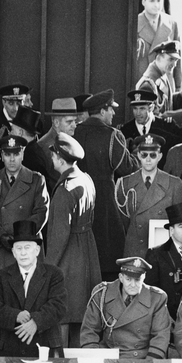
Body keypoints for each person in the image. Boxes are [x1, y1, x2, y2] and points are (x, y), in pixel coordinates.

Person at [73, 89, 139, 281]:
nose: (114, 113)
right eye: (111, 109)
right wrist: (133, 153)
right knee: (108, 255)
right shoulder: (112, 135)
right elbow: (127, 168)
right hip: (104, 201)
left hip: (78, 199)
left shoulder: (75, 131)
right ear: (102, 111)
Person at [45, 133, 102, 347]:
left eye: (53, 156)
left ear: (60, 159)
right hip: (87, 251)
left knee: (63, 315)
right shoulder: (86, 179)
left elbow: (59, 236)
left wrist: (48, 269)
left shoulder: (65, 190)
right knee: (83, 315)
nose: (52, 160)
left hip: (69, 257)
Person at [0, 220, 67, 358]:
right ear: (13, 252)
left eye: (27, 247)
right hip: (11, 351)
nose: (23, 253)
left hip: (46, 349)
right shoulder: (2, 276)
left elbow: (59, 306)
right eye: (19, 248)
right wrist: (16, 315)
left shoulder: (54, 274)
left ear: (37, 250)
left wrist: (36, 322)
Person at [0, 135, 50, 291]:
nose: (12, 159)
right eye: (7, 154)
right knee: (2, 295)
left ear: (23, 154)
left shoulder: (36, 180)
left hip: (27, 246)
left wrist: (21, 237)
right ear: (1, 156)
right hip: (1, 248)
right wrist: (0, 236)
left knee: (30, 293)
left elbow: (41, 212)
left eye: (16, 154)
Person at [80, 256, 171, 359]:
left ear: (144, 277)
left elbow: (160, 336)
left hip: (141, 359)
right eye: (128, 279)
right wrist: (95, 360)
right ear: (121, 277)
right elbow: (89, 331)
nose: (133, 285)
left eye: (137, 280)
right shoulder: (102, 294)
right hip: (108, 358)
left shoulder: (157, 298)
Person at [115, 134, 182, 258]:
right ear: (138, 156)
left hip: (162, 251)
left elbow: (178, 223)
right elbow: (124, 223)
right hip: (135, 250)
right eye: (144, 155)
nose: (148, 159)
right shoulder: (125, 184)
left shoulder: (174, 184)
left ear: (160, 157)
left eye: (153, 155)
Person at [144, 201, 182, 319]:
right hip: (167, 318)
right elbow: (150, 291)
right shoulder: (156, 254)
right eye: (181, 226)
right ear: (171, 230)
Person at [135, 0, 181, 87]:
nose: (156, 5)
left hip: (165, 83)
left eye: (159, 1)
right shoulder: (134, 23)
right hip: (142, 82)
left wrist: (178, 86)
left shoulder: (171, 23)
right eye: (152, 1)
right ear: (143, 2)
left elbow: (178, 59)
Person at [36, 98, 79, 185]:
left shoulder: (63, 141)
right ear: (56, 122)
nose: (74, 125)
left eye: (75, 121)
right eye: (69, 122)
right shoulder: (46, 146)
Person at [136, 40, 181, 110]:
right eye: (171, 59)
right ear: (158, 57)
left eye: (176, 60)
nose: (174, 64)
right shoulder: (147, 84)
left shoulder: (163, 75)